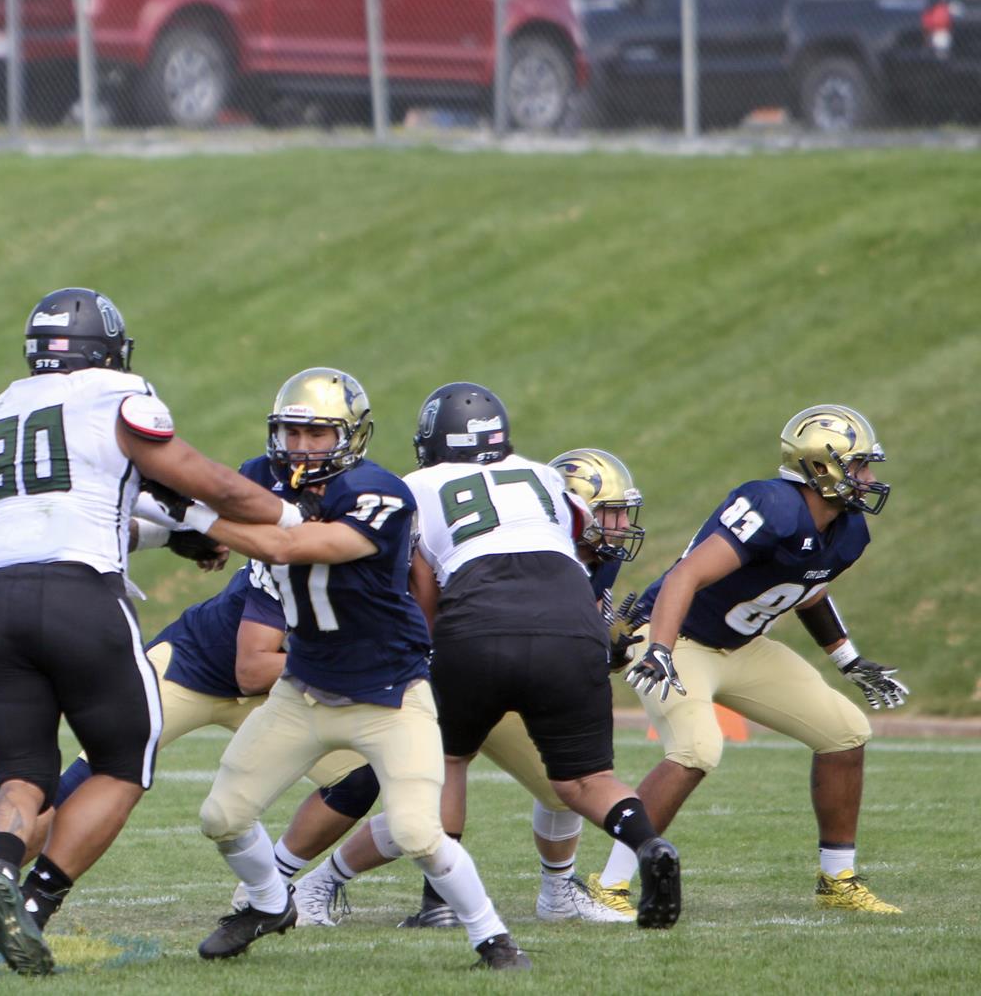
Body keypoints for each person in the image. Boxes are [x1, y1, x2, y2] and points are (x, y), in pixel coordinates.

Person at [0, 289, 293, 976]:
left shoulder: (1, 409)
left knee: (23, 775)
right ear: (105, 348)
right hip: (81, 592)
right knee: (122, 761)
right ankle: (34, 903)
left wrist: (176, 536)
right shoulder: (117, 394)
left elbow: (95, 493)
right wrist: (286, 518)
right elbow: (199, 479)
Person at [286, 386, 680, 936]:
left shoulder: (413, 486)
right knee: (588, 779)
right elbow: (572, 563)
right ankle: (648, 843)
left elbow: (422, 581)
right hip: (570, 629)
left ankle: (432, 899)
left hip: (476, 628)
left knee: (443, 766)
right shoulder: (546, 477)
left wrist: (423, 649)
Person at [182, 369, 534, 970]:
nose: (300, 447)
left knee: (420, 832)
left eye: (317, 433)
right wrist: (163, 525)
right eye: (291, 432)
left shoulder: (382, 493)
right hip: (304, 691)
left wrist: (195, 520)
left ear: (351, 435)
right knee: (222, 816)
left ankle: (495, 941)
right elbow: (225, 515)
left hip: (389, 695)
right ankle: (270, 904)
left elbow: (288, 546)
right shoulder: (262, 475)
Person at [0, 529, 377, 931]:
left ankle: (272, 885)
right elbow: (253, 667)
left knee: (357, 779)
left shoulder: (380, 579)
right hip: (194, 667)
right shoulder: (298, 556)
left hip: (278, 692)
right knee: (98, 772)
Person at [604, 404, 905, 914]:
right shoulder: (771, 505)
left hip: (741, 647)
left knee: (845, 732)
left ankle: (838, 880)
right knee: (697, 749)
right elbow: (684, 577)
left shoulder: (848, 530)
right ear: (820, 467)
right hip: (674, 637)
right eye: (858, 466)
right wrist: (658, 648)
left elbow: (807, 590)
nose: (869, 478)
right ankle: (609, 883)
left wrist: (848, 659)